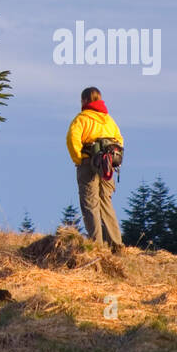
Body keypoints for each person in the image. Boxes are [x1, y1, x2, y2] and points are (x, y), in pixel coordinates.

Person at [66, 86, 124, 252]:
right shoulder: (109, 120)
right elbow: (119, 141)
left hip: (88, 164)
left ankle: (96, 246)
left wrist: (79, 159)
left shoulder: (82, 119)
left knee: (90, 203)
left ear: (84, 101)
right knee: (106, 203)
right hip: (108, 167)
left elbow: (72, 139)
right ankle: (116, 244)